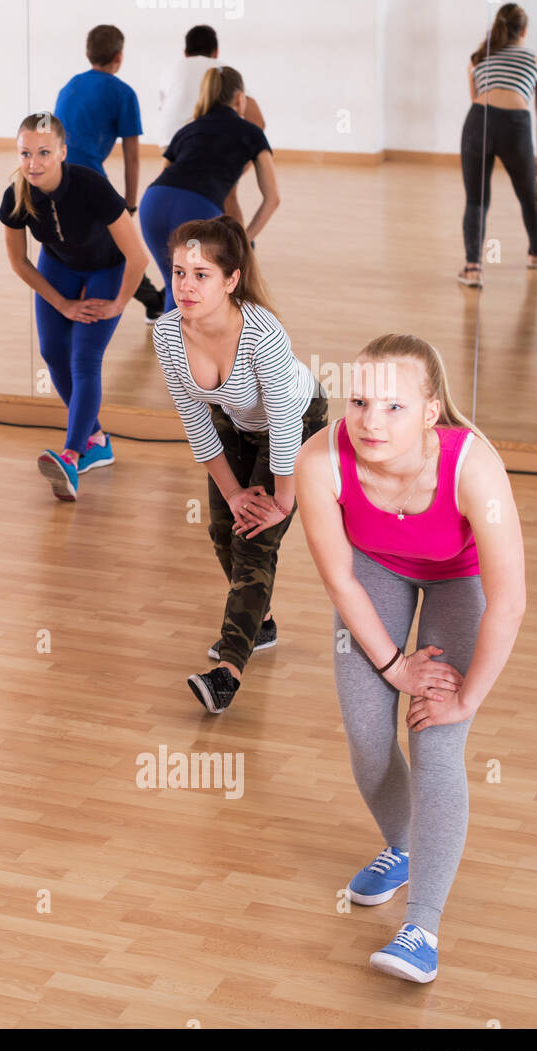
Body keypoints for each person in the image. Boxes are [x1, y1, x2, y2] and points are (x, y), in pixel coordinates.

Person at [295, 334, 525, 983]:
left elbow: (509, 604)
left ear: (430, 412)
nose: (370, 420)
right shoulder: (321, 459)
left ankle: (421, 926)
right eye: (361, 400)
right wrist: (394, 665)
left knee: (435, 741)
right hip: (374, 569)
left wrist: (465, 697)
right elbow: (340, 579)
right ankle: (401, 845)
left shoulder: (472, 465)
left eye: (394, 407)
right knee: (369, 739)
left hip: (458, 577)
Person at [152, 216, 326, 713]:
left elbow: (286, 421)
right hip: (236, 419)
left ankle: (227, 672)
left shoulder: (262, 332)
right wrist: (232, 493)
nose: (186, 285)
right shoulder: (167, 334)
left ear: (231, 280)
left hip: (295, 419)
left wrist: (283, 502)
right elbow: (195, 420)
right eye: (179, 271)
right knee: (221, 529)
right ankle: (260, 621)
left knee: (253, 541)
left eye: (202, 274)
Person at [0, 113, 150, 501]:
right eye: (26, 153)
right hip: (59, 266)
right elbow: (19, 263)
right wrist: (61, 303)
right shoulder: (15, 195)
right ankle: (96, 439)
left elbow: (137, 258)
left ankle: (71, 454)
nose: (34, 163)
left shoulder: (91, 187)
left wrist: (118, 304)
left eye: (45, 152)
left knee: (84, 358)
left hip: (107, 268)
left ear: (63, 152)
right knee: (52, 352)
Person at [141, 66, 278, 315]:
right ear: (239, 99)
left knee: (178, 289)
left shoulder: (186, 130)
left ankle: (175, 352)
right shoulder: (252, 133)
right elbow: (272, 198)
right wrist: (244, 240)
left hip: (153, 204)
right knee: (200, 292)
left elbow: (165, 175)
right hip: (196, 208)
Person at [55, 23, 167, 321]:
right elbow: (132, 157)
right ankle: (153, 302)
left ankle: (149, 300)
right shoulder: (123, 93)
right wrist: (129, 204)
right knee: (123, 247)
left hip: (56, 175)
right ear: (119, 56)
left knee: (96, 242)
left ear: (88, 53)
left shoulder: (71, 85)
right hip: (88, 179)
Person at [457, 3, 537, 287]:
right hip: (516, 124)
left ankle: (472, 268)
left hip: (478, 121)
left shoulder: (479, 57)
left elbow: (475, 100)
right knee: (527, 194)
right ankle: (536, 252)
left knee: (475, 199)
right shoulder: (536, 60)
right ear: (525, 31)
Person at [156, 24, 266, 223]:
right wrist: (239, 166)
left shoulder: (170, 69)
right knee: (227, 194)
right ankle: (239, 247)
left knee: (174, 192)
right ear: (215, 52)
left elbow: (165, 113)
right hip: (213, 142)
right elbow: (257, 121)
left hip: (172, 144)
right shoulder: (222, 71)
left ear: (184, 52)